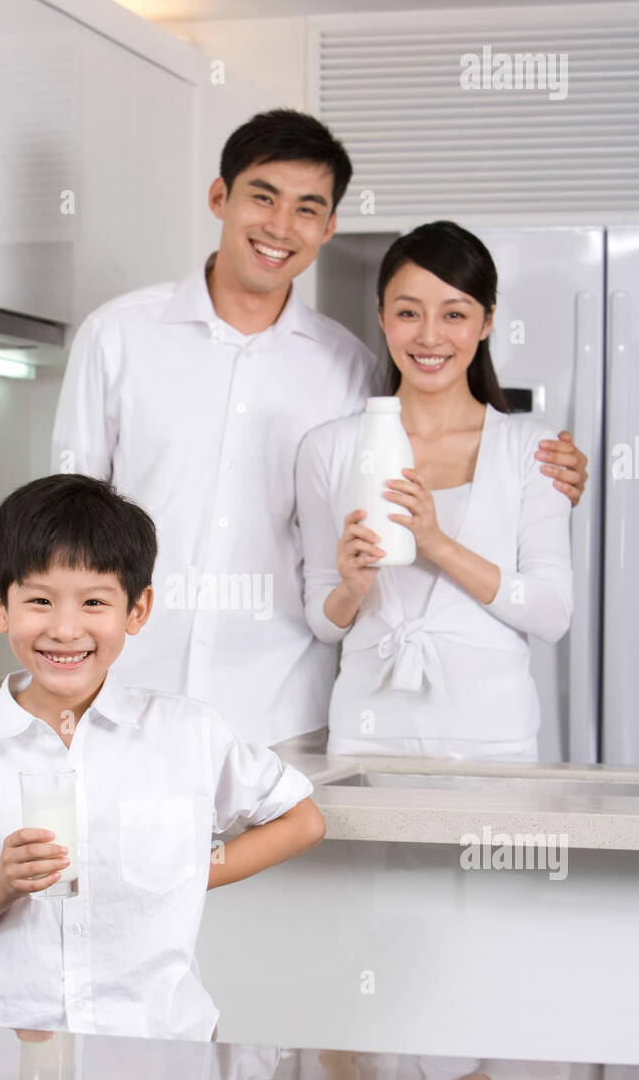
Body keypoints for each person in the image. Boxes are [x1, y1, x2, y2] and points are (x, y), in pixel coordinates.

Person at [50, 110, 588, 748]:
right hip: (130, 691)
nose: (281, 227)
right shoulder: (118, 337)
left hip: (283, 708)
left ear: (329, 226)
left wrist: (541, 470)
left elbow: (433, 439)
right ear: (220, 196)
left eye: (307, 209)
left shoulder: (349, 367)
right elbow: (66, 515)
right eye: (263, 197)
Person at [0, 474, 324, 1040]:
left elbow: (301, 820)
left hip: (159, 1045)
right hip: (12, 1052)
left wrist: (185, 873)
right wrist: (3, 880)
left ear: (137, 609)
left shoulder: (187, 734)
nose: (64, 628)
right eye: (38, 600)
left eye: (94, 602)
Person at [295, 221, 573, 760]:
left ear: (487, 321)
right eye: (407, 312)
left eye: (454, 313)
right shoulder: (327, 448)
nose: (428, 336)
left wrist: (436, 542)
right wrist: (351, 587)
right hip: (365, 739)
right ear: (381, 315)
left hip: (494, 742)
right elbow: (322, 623)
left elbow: (552, 612)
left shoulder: (530, 451)